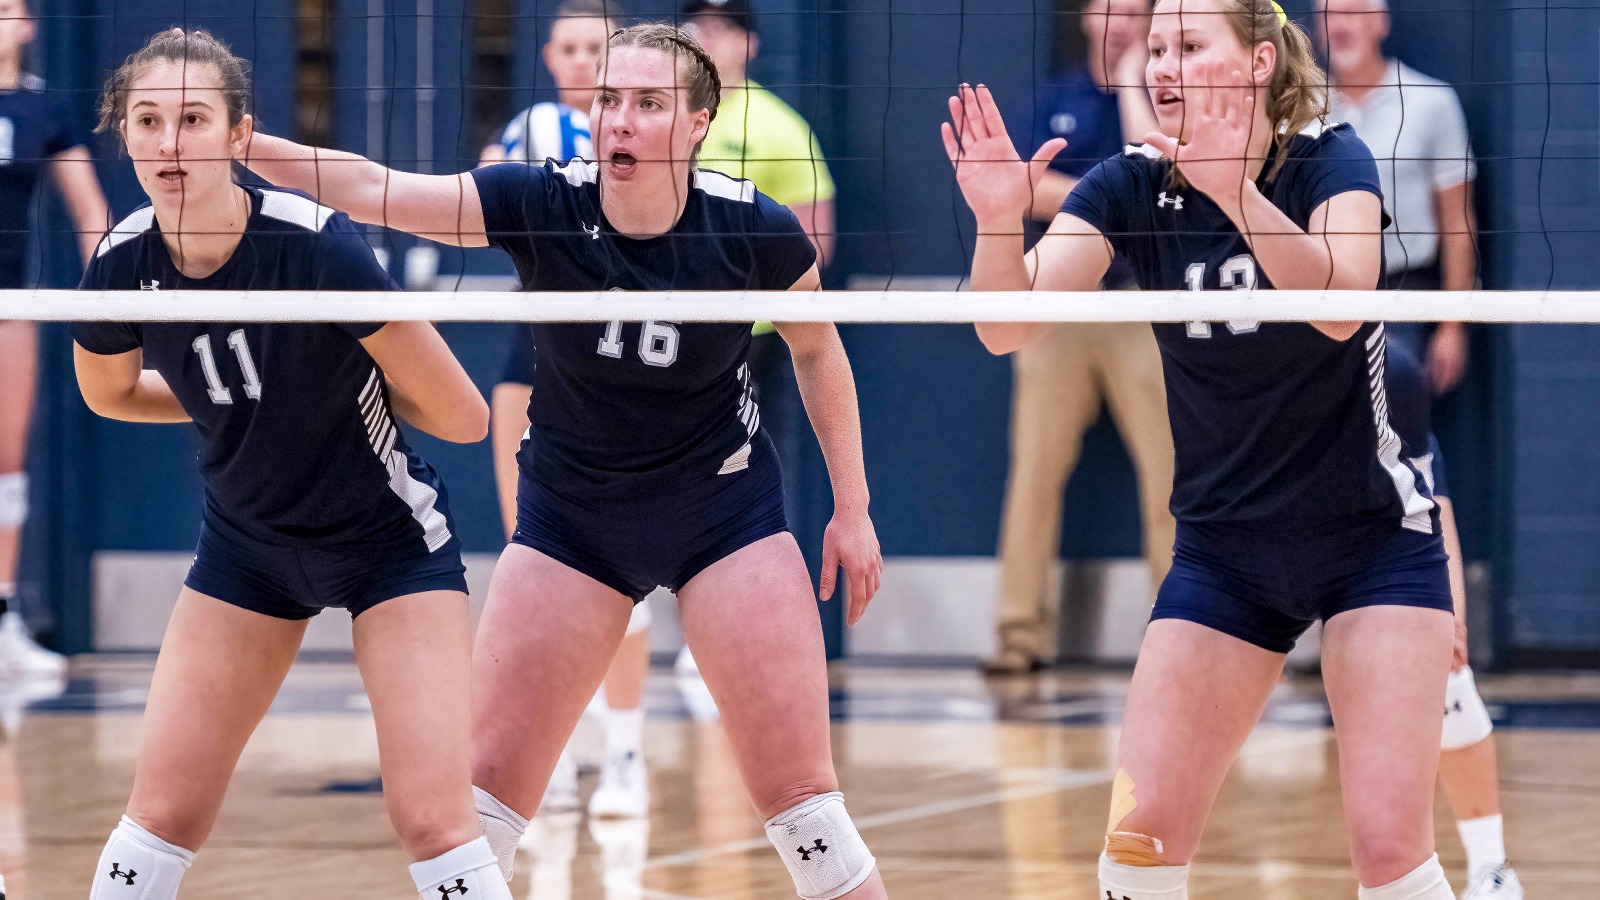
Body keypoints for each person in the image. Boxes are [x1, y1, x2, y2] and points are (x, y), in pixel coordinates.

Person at [242, 22, 889, 900]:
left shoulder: (751, 227)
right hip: (573, 525)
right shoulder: (542, 201)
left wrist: (853, 508)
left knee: (810, 812)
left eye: (648, 103)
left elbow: (817, 350)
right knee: (473, 817)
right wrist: (246, 147)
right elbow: (372, 188)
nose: (618, 118)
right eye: (609, 99)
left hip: (723, 516)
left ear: (699, 122)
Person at [945, 0, 1458, 896]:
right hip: (1226, 556)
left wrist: (1236, 194)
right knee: (1137, 845)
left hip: (1372, 542)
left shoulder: (1330, 159)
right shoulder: (1129, 184)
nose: (1163, 66)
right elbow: (1004, 325)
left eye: (1189, 45)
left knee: (1389, 853)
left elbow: (1341, 309)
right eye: (1156, 49)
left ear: (1259, 62)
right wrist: (997, 220)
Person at [72, 28, 506, 900]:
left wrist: (334, 385)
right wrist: (241, 400)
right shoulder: (120, 262)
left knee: (433, 820)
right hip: (247, 551)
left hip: (389, 546)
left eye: (193, 119)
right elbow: (109, 394)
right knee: (160, 814)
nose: (168, 142)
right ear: (123, 135)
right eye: (147, 120)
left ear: (239, 135)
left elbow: (463, 417)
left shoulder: (316, 246)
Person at [483, 0, 654, 823]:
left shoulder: (642, 135)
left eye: (598, 48)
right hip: (531, 351)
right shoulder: (526, 133)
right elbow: (477, 193)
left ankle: (625, 753)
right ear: (551, 57)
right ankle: (550, 753)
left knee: (623, 571)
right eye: (572, 48)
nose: (584, 61)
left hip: (619, 359)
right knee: (535, 560)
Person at [985, 0, 1175, 675]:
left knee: (1171, 476)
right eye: (1107, 8)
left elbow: (1164, 176)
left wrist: (1132, 88)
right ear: (1087, 18)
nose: (1119, 21)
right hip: (1058, 307)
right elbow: (1024, 188)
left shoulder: (1158, 99)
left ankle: (1180, 634)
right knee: (1034, 472)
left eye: (1133, 11)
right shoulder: (1054, 97)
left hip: (1139, 304)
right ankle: (1018, 636)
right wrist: (1110, 198)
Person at [1383, 343, 1521, 900]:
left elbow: (1435, 505)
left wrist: (1451, 621)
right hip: (1274, 545)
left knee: (1447, 676)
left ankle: (1492, 870)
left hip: (1382, 549)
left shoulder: (1390, 378)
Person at [0, 0, 109, 677]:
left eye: (5, 9)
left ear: (29, 26)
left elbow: (91, 214)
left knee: (7, 461)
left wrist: (116, 294)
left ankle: (2, 618)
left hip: (9, 304)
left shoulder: (42, 109)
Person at [1318, 0, 1476, 390]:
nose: (1339, 25)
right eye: (1328, 14)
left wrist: (1453, 326)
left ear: (1380, 22)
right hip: (1321, 299)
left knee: (1396, 419)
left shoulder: (1431, 101)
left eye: (1352, 11)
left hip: (1404, 299)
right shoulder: (1304, 108)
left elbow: (1459, 222)